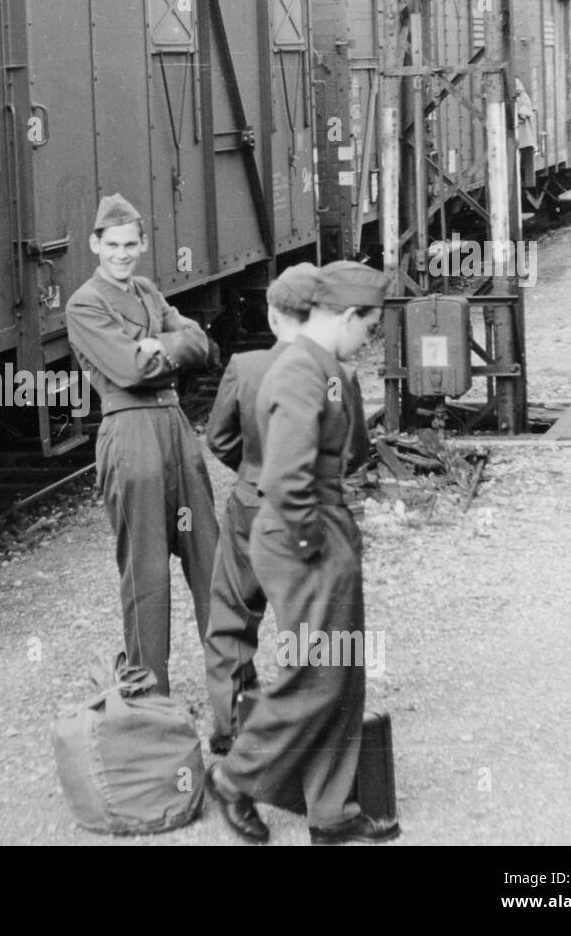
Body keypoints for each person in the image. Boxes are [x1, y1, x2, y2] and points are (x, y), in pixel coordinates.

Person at [205, 260, 399, 845]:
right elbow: (286, 480)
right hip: (300, 539)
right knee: (313, 677)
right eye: (367, 326)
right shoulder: (299, 372)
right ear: (344, 316)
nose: (368, 338)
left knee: (341, 676)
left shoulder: (324, 367)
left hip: (322, 532)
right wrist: (316, 548)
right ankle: (237, 778)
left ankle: (332, 813)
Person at [65, 194, 218, 696]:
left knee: (209, 558)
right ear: (95, 245)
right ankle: (152, 705)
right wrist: (154, 351)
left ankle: (233, 693)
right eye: (112, 245)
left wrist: (160, 348)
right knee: (147, 572)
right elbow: (131, 369)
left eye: (131, 244)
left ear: (143, 244)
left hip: (175, 428)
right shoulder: (85, 303)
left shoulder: (148, 290)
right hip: (130, 434)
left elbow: (203, 345)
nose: (122, 254)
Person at [203, 264, 317, 755]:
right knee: (307, 623)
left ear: (272, 316)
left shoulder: (245, 368)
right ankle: (308, 726)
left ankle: (232, 728)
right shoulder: (333, 375)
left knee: (231, 616)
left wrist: (253, 470)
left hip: (250, 504)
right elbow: (352, 453)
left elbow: (217, 438)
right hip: (308, 513)